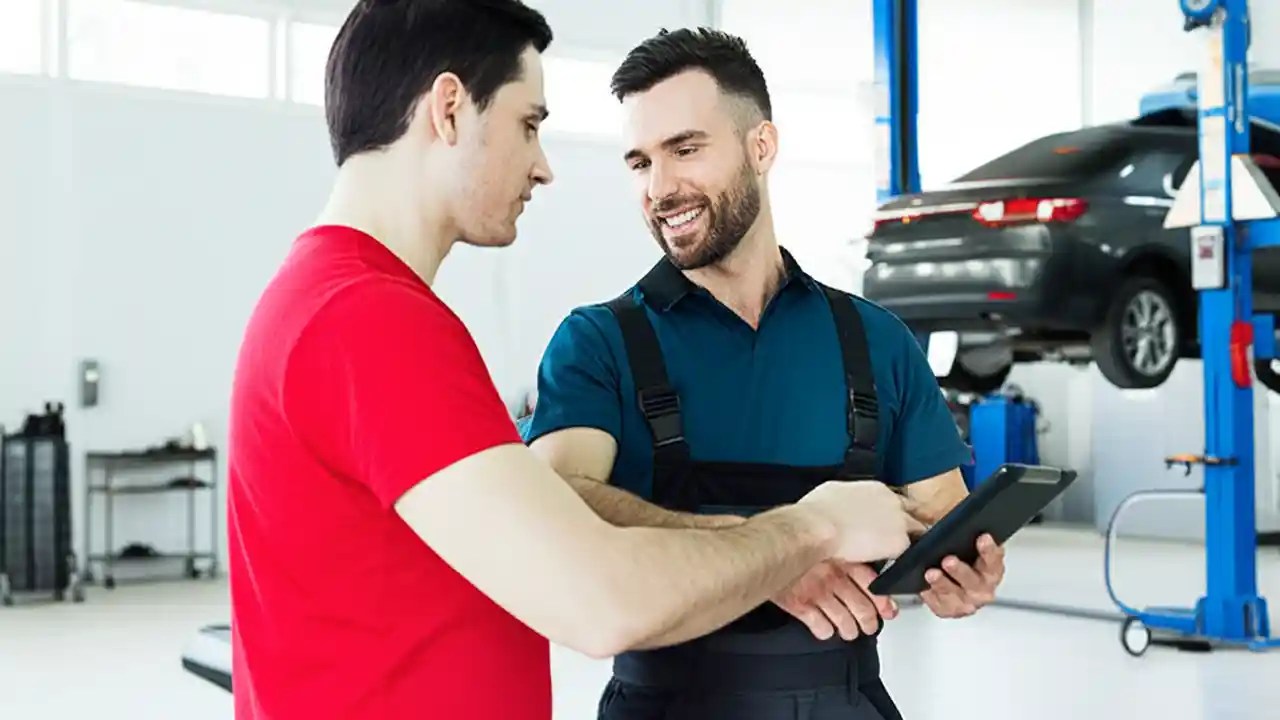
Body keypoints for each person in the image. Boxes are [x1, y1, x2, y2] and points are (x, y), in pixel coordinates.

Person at [226, 3, 926, 720]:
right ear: (449, 109)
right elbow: (602, 603)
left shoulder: (327, 299)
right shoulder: (371, 321)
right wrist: (812, 528)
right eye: (528, 124)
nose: (543, 167)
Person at [522, 27, 1008, 720]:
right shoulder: (598, 343)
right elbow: (557, 507)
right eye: (640, 162)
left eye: (685, 150)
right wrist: (773, 560)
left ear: (761, 147)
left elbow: (941, 518)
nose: (660, 188)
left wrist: (964, 570)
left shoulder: (875, 342)